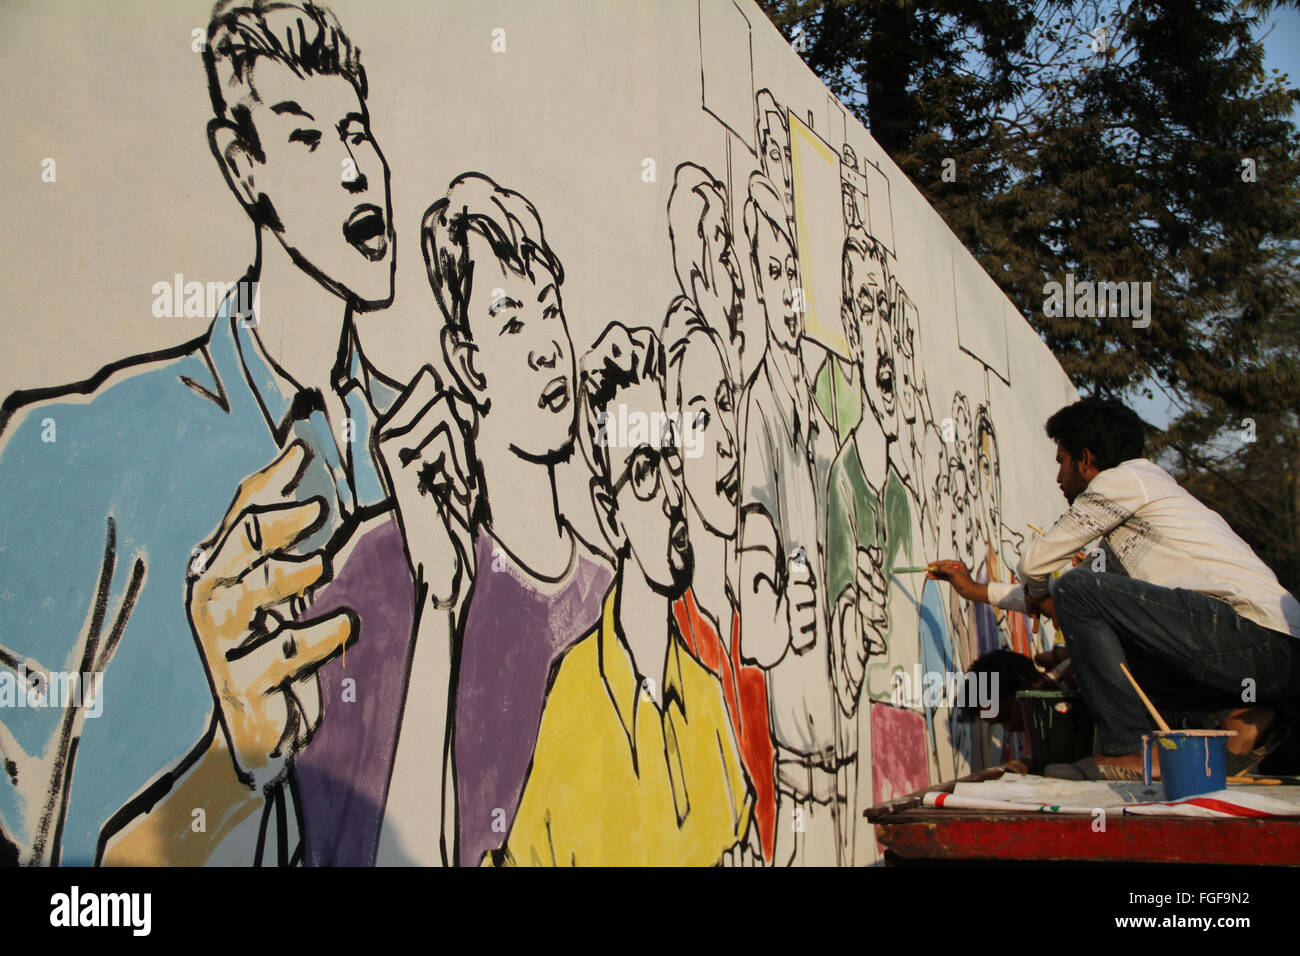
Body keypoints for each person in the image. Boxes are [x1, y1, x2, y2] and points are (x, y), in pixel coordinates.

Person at [3, 0, 467, 866]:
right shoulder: (82, 456)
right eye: (306, 138)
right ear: (242, 166)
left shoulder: (425, 454)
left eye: (357, 131)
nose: (355, 169)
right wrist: (226, 774)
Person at [493, 324, 756, 865]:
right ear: (610, 515)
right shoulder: (575, 702)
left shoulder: (706, 698)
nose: (673, 494)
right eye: (643, 471)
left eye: (672, 457)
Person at [420, 172, 612, 866]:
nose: (547, 347)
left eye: (550, 309)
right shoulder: (445, 593)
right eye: (511, 322)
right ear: (468, 364)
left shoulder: (607, 591)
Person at [1015, 398, 1300, 780]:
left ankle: (1129, 750)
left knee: (1077, 589)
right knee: (1107, 625)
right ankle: (1251, 716)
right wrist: (985, 593)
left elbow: (1035, 565)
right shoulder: (1141, 511)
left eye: (1061, 462)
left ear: (1085, 459)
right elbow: (1067, 597)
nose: (1058, 478)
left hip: (1255, 636)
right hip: (1278, 656)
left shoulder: (1122, 481)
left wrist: (1037, 592)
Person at [737, 171, 842, 865]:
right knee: (807, 828)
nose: (786, 292)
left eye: (793, 275)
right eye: (772, 273)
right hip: (795, 672)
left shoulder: (815, 404)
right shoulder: (761, 405)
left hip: (827, 666)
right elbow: (757, 529)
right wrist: (779, 601)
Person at [661, 303, 776, 862]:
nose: (728, 438)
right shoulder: (668, 636)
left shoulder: (746, 620)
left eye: (727, 404)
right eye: (700, 420)